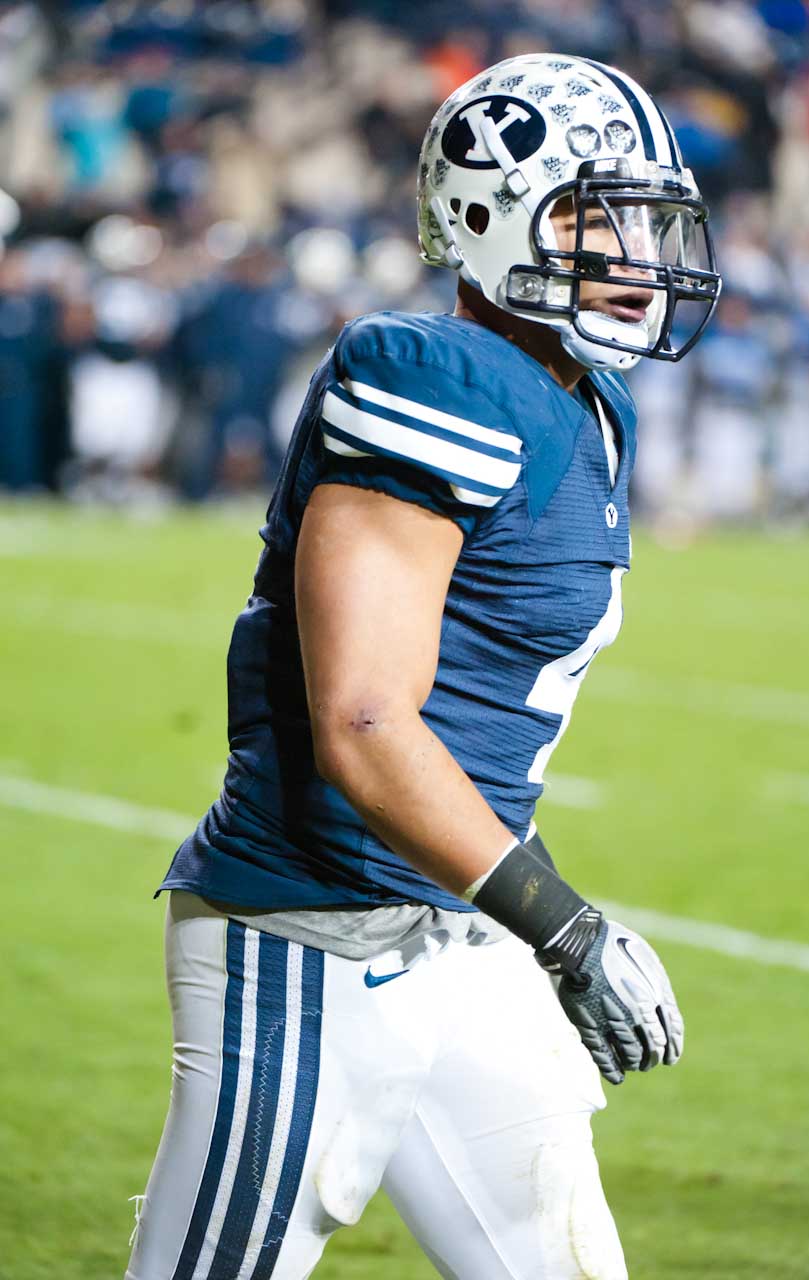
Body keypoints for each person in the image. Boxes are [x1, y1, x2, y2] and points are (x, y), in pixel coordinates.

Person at [126, 53, 721, 1280]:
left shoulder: (584, 399)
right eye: (590, 217)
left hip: (458, 934)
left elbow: (471, 716)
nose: (632, 251)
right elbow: (362, 715)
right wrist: (565, 928)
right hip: (310, 935)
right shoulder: (433, 377)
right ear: (492, 222)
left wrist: (527, 901)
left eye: (641, 218)